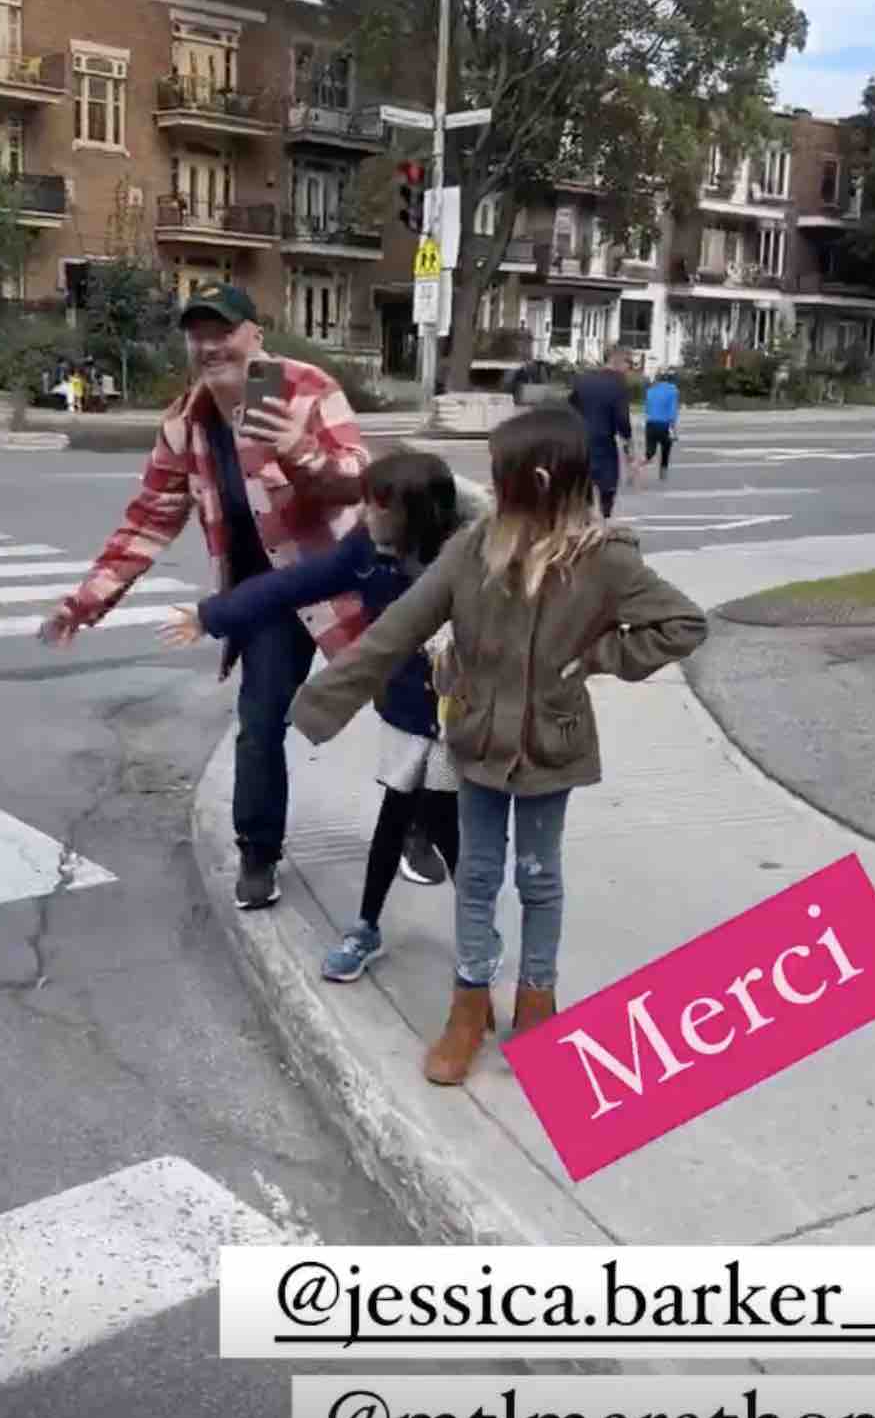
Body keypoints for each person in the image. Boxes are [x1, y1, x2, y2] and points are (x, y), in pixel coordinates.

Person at [290, 406, 707, 1086]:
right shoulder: (472, 548)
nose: (484, 482)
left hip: (552, 746)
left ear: (535, 478)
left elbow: (682, 623)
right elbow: (396, 629)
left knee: (539, 880)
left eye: (497, 469)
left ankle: (537, 1003)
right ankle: (468, 1009)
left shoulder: (605, 562)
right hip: (477, 739)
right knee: (478, 878)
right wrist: (320, 703)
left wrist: (601, 655)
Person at [38, 283, 369, 911]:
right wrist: (84, 601)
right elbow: (148, 520)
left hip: (339, 576)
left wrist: (297, 450)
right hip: (264, 596)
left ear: (254, 335)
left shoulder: (307, 389)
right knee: (260, 723)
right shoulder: (184, 424)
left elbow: (357, 479)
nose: (211, 346)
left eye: (223, 331)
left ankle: (424, 820)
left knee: (403, 700)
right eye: (198, 334)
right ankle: (258, 853)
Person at [162, 449, 485, 981]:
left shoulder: (476, 554)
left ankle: (476, 937)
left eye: (379, 507)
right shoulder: (366, 550)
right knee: (398, 812)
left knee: (446, 823)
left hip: (461, 713)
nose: (364, 516)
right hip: (405, 706)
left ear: (417, 514)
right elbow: (294, 583)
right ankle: (367, 927)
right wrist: (209, 614)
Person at [568, 344, 637, 517]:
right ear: (618, 361)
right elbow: (622, 419)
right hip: (603, 442)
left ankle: (583, 519)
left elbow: (570, 408)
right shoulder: (618, 383)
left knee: (582, 484)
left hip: (579, 441)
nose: (630, 368)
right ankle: (604, 520)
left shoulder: (583, 380)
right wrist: (629, 448)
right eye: (629, 363)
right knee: (607, 486)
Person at [643, 369, 680, 481]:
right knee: (666, 449)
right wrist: (673, 428)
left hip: (651, 424)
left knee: (650, 452)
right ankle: (663, 475)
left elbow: (647, 409)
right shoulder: (673, 390)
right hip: (665, 425)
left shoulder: (650, 391)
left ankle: (636, 465)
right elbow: (672, 411)